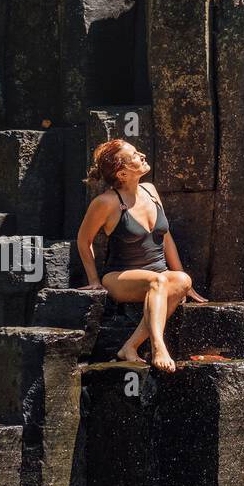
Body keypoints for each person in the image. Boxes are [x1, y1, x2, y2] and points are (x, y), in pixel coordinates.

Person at [77, 139, 205, 371]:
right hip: (119, 276)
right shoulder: (106, 202)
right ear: (122, 172)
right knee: (158, 281)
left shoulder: (151, 191)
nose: (143, 155)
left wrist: (182, 279)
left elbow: (165, 238)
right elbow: (83, 240)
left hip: (159, 276)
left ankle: (130, 346)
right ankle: (158, 346)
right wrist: (94, 280)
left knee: (183, 280)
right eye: (135, 155)